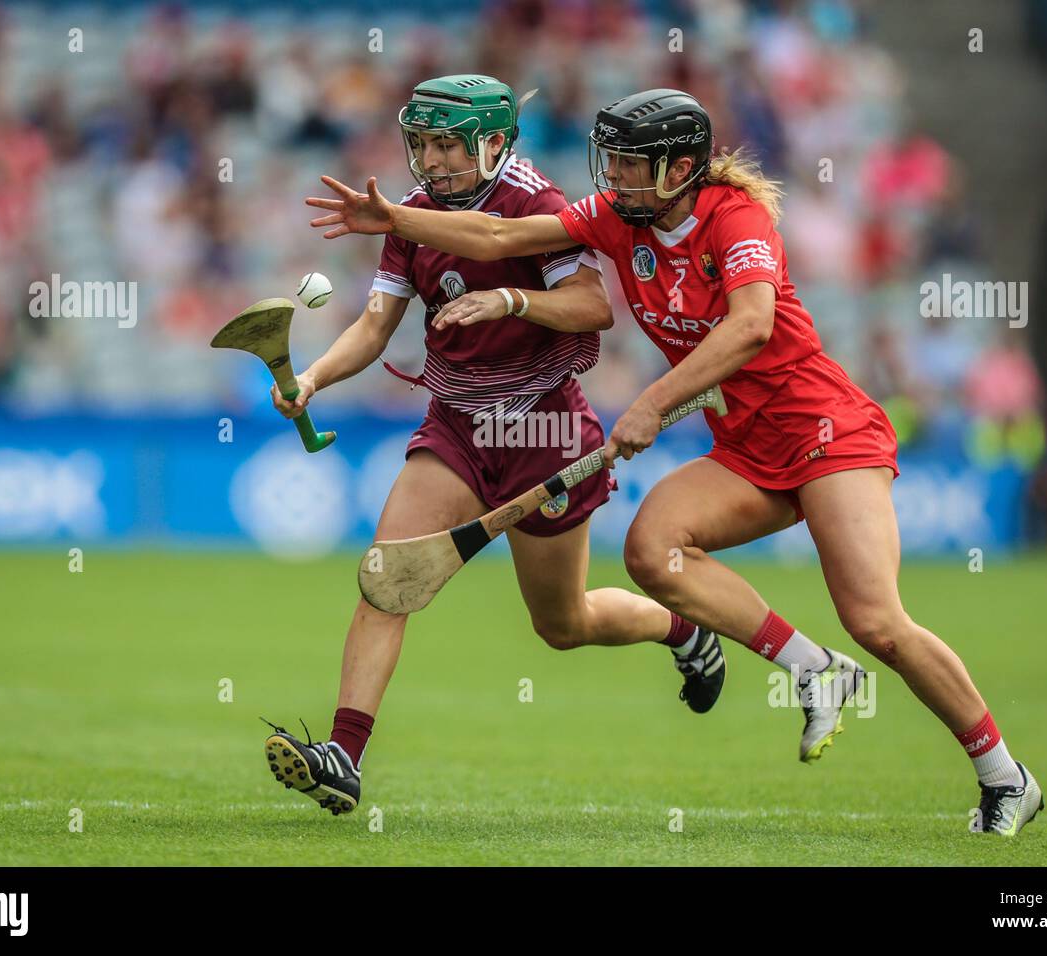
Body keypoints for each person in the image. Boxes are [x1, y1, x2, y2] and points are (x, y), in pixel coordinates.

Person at [306, 88, 1044, 836]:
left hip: (826, 431)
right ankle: (810, 668)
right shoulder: (613, 219)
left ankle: (1004, 775)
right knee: (652, 554)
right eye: (612, 161)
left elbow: (752, 326)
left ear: (679, 168)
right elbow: (499, 241)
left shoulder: (734, 217)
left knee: (877, 623)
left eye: (630, 165)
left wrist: (653, 400)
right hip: (746, 448)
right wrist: (393, 219)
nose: (614, 177)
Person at [262, 76, 728, 816]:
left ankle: (683, 629)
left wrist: (510, 299)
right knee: (388, 577)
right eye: (422, 143)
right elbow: (376, 325)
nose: (433, 159)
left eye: (448, 144)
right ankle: (344, 757)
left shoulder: (536, 203)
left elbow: (591, 307)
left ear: (491, 142)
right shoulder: (410, 213)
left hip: (542, 431)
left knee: (562, 625)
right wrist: (314, 378)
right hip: (455, 427)